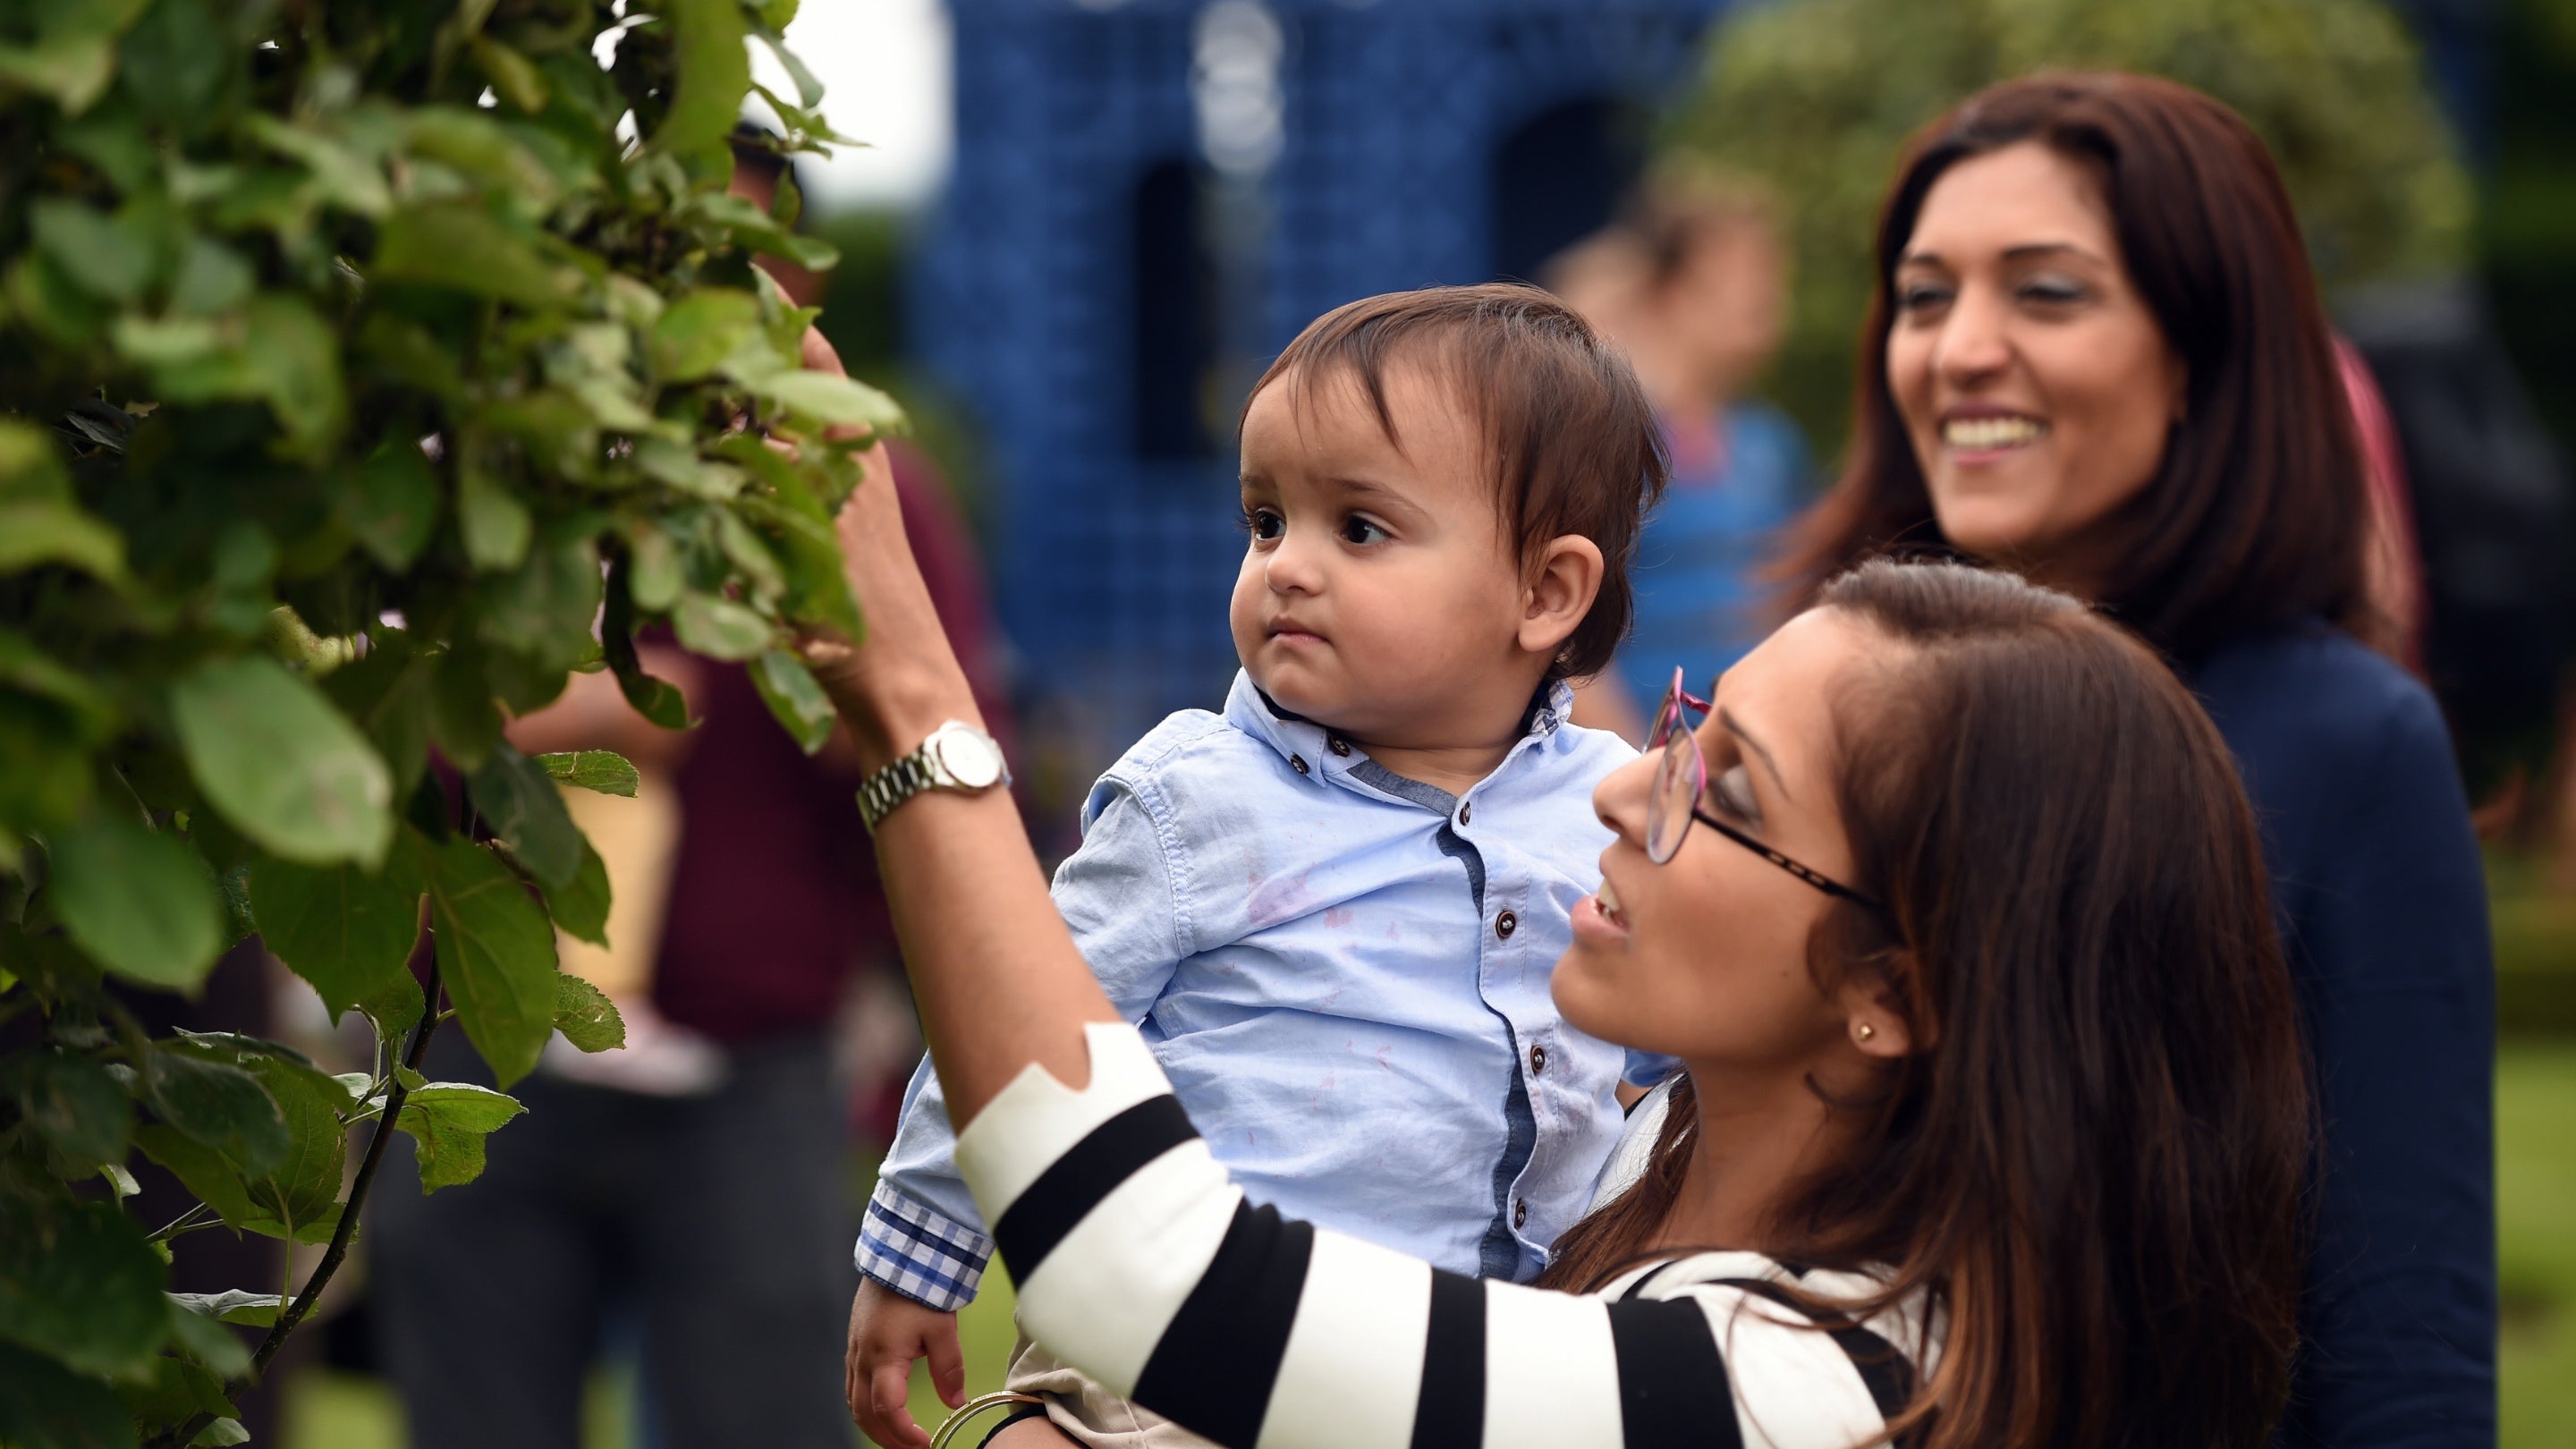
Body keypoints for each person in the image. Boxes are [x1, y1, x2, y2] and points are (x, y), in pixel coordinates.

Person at [794, 358, 2313, 1446]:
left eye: (1725, 795)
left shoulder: (1828, 1390)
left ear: (1893, 994)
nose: (1609, 792)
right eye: (1681, 734)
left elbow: (1168, 1286)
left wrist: (916, 711)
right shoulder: (1634, 1160)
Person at [1771, 73, 2495, 1446]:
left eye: (2046, 294)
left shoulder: (2347, 742)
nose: (1962, 350)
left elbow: (2406, 1346)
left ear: (2199, 356)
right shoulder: (1822, 694)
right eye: (1926, 298)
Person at [844, 285, 1670, 1449]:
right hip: (1199, 1367)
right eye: (1267, 520)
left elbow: (1700, 1032)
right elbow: (1015, 1024)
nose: (1287, 567)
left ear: (1545, 592)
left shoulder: (1605, 804)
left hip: (1492, 1374)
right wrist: (921, 1248)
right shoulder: (1201, 799)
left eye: (1360, 529)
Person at [1546, 168, 1813, 742]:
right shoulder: (1607, 446)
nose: (1765, 295)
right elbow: (1561, 633)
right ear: (1670, 289)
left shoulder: (1768, 442)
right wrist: (1640, 772)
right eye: (1739, 274)